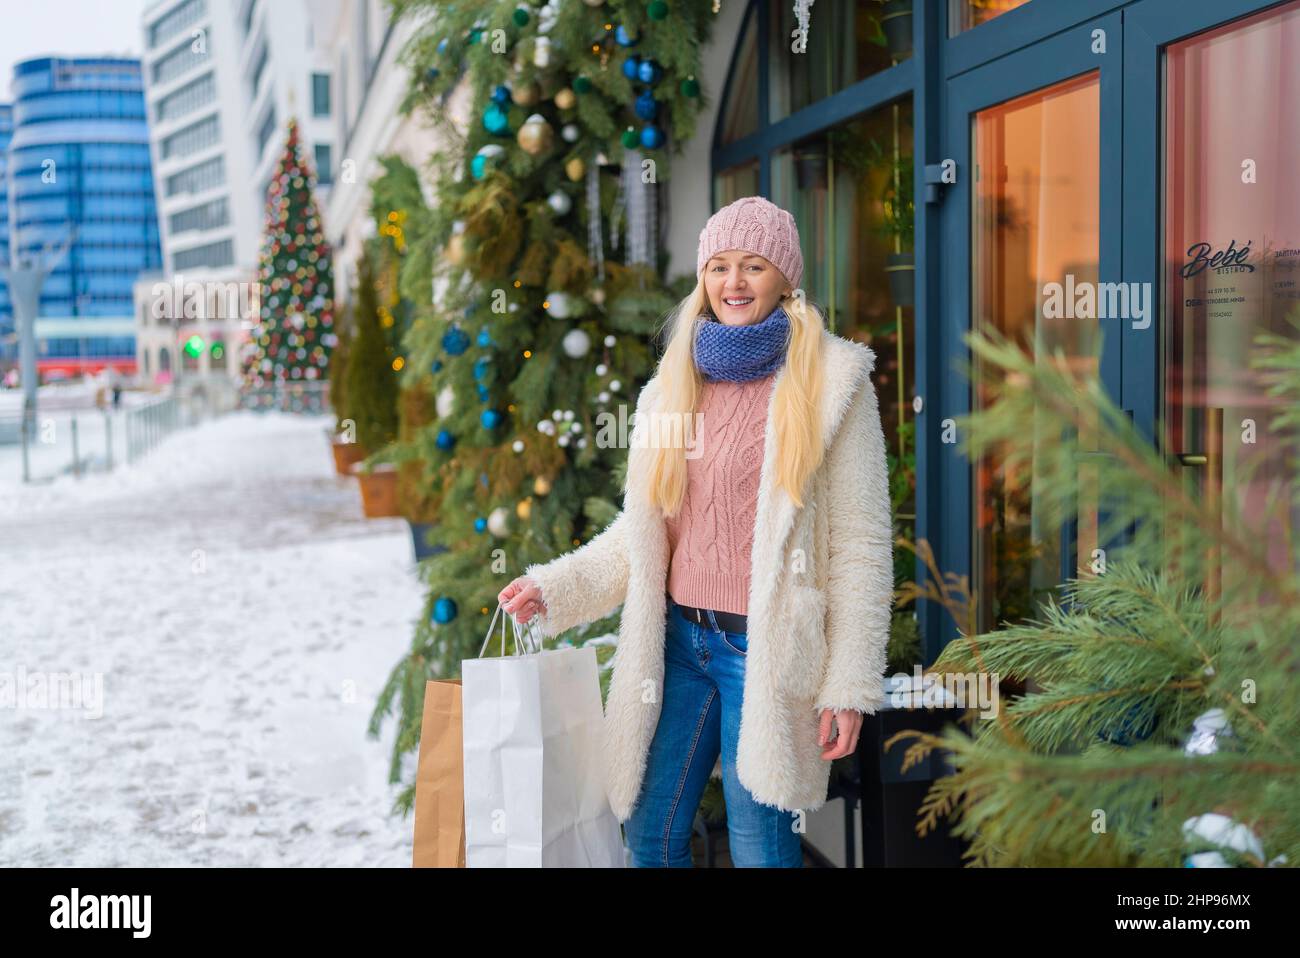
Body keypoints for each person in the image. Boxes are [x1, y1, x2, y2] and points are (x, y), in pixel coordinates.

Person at [498, 196, 893, 867]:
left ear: (784, 278)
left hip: (765, 656)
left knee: (760, 850)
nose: (733, 283)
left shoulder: (834, 383)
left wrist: (847, 687)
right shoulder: (674, 384)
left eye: (753, 266)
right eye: (718, 266)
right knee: (649, 836)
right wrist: (552, 588)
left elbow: (861, 548)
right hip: (677, 646)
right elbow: (644, 532)